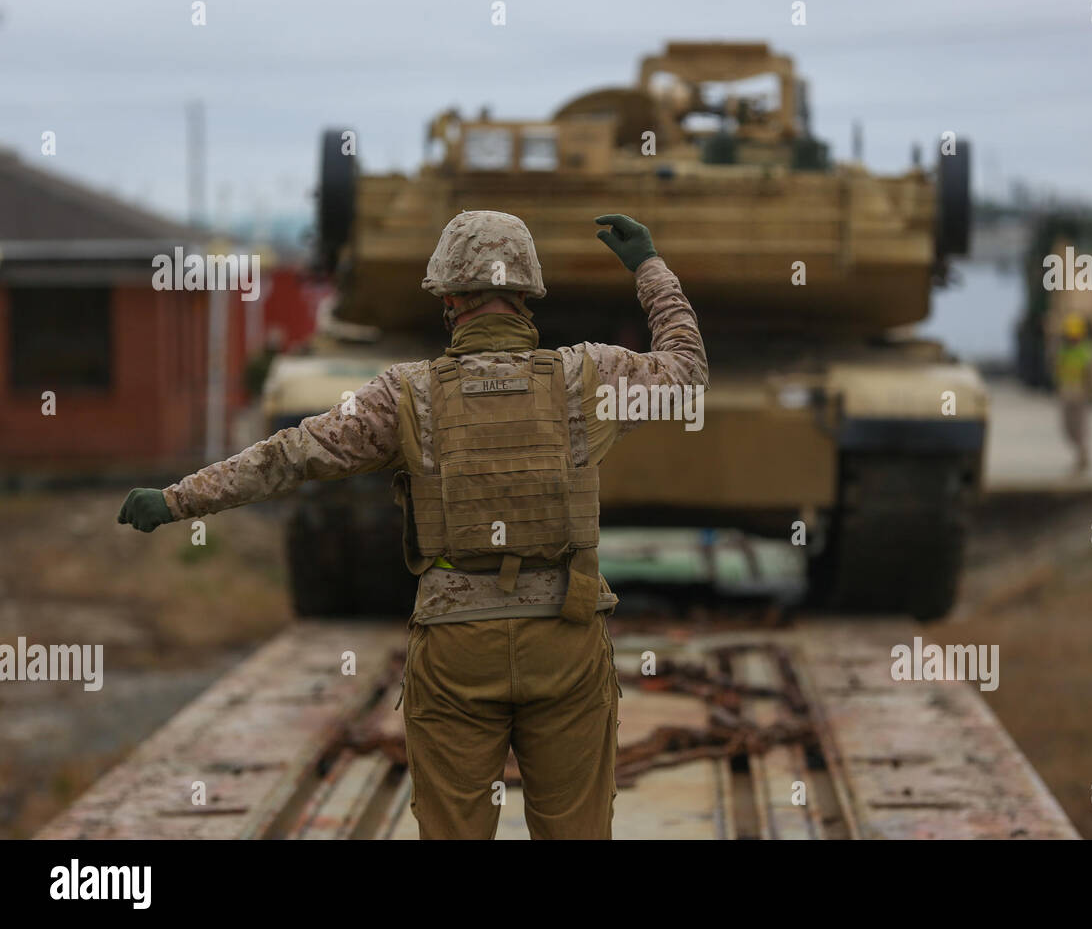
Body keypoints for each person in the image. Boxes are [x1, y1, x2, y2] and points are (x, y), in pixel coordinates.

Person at [118, 211, 708, 839]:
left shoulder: (406, 395)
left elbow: (291, 456)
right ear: (529, 294)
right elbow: (688, 375)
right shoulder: (593, 377)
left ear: (450, 299)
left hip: (457, 649)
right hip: (565, 640)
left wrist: (179, 499)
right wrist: (650, 270)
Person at [1055, 312, 1092, 474]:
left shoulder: (1086, 351)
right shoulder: (1063, 351)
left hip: (1080, 393)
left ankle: (1082, 457)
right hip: (1066, 392)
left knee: (1079, 428)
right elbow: (1057, 369)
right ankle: (1081, 455)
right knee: (1067, 428)